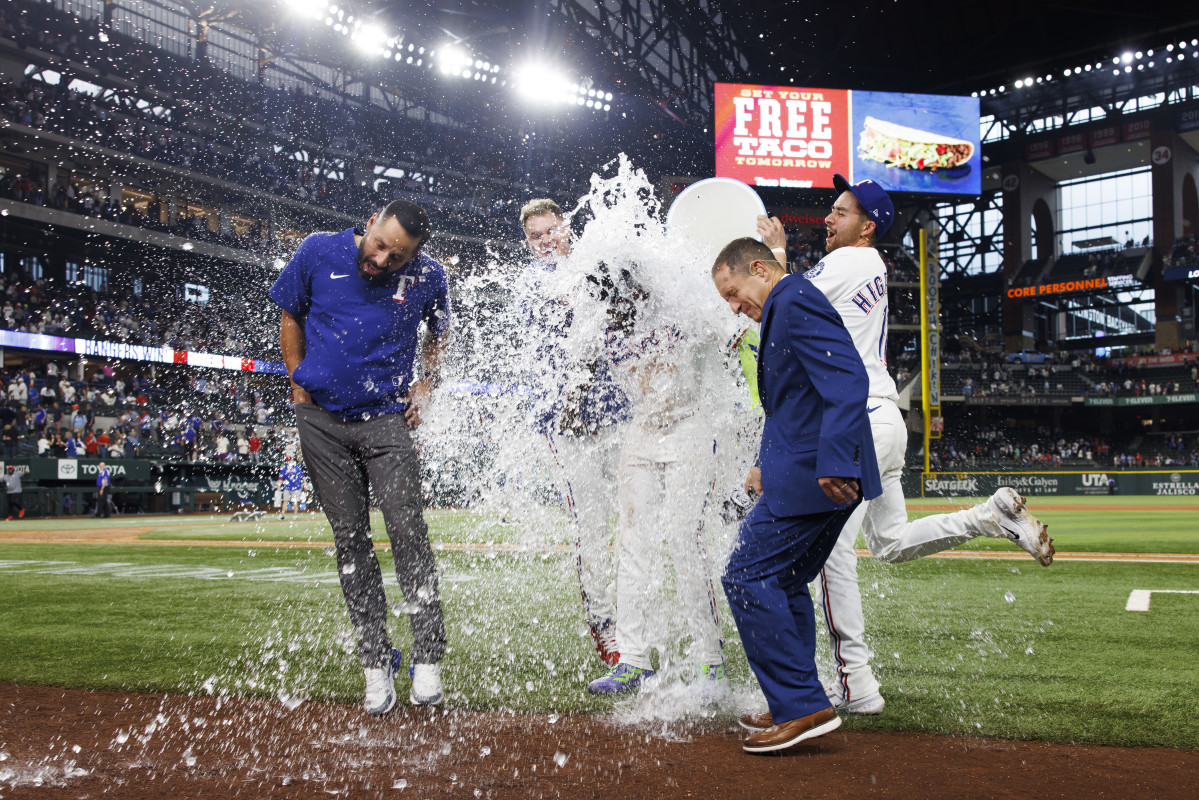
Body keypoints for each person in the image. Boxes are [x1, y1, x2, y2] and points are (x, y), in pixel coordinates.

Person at [754, 176, 1054, 715]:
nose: (829, 217)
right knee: (889, 542)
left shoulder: (854, 259)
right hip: (881, 419)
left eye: (841, 212)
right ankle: (991, 518)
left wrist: (774, 254)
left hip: (853, 422)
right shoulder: (867, 266)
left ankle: (857, 686)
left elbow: (783, 298)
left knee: (828, 557)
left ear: (867, 227)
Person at [270, 199, 449, 715]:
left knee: (408, 532)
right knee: (350, 542)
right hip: (321, 421)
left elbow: (439, 332)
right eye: (379, 245)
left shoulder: (429, 276)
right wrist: (297, 384)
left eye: (398, 256)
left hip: (388, 420)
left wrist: (426, 385)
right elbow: (290, 314)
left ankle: (428, 657)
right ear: (370, 222)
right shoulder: (317, 250)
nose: (382, 260)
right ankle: (375, 663)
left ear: (414, 256)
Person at [711, 237, 882, 754]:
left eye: (735, 293)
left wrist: (834, 460)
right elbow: (790, 403)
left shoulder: (795, 298)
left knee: (743, 575)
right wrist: (764, 462)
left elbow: (848, 379)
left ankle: (802, 704)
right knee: (783, 581)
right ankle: (797, 699)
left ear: (760, 269)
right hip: (800, 472)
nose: (736, 308)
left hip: (817, 476)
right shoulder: (783, 307)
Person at [580, 265, 726, 699]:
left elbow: (728, 329)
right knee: (630, 543)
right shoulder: (601, 324)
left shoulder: (680, 308)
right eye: (606, 302)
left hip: (690, 427)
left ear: (639, 289)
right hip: (642, 429)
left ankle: (711, 661)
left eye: (619, 298)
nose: (613, 310)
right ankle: (633, 659)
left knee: (685, 541)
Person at [516, 198, 629, 667]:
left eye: (551, 231)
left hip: (617, 409)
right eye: (535, 237)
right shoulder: (529, 282)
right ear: (527, 243)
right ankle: (605, 625)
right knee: (591, 523)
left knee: (632, 519)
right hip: (568, 419)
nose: (545, 241)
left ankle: (633, 617)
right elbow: (565, 312)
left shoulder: (591, 263)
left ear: (567, 227)